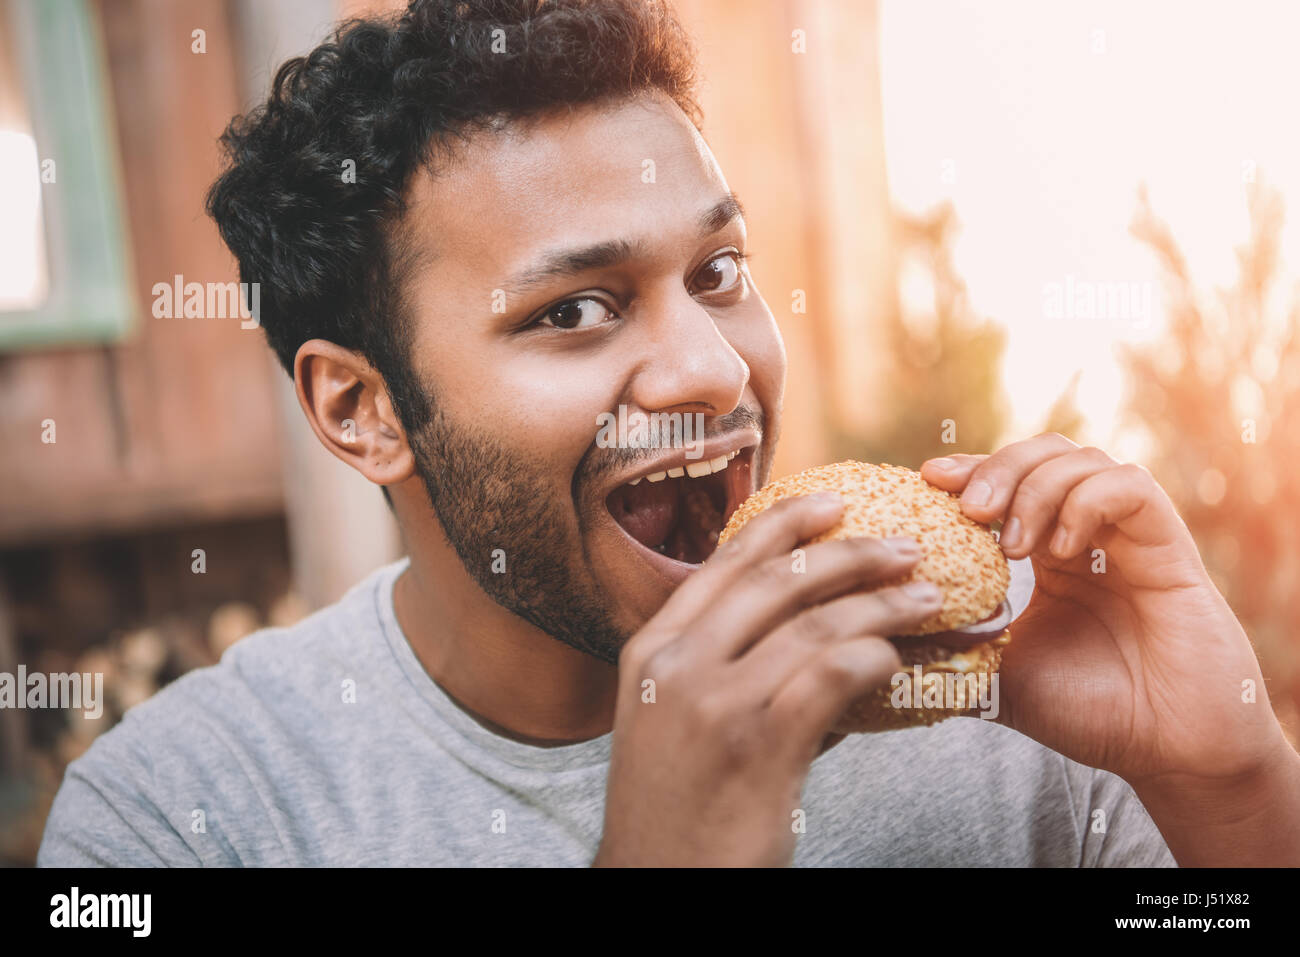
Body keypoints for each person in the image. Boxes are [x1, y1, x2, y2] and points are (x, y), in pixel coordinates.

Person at [39, 0, 1299, 867]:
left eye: (717, 269)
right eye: (573, 310)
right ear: (362, 411)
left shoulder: (999, 679)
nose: (710, 362)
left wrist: (1224, 782)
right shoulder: (180, 817)